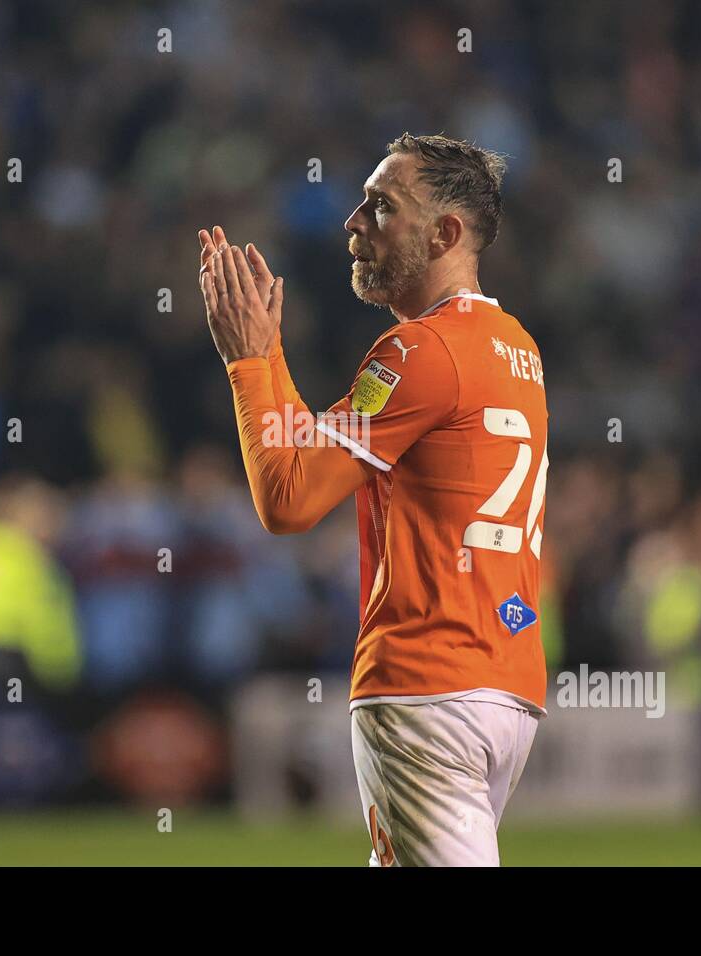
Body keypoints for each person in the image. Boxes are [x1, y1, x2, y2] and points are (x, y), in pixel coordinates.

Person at [199, 133, 549, 866]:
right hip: (506, 686)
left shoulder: (418, 353)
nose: (353, 223)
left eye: (381, 207)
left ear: (446, 232)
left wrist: (247, 362)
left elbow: (288, 498)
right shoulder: (515, 346)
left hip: (427, 689)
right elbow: (307, 449)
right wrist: (270, 358)